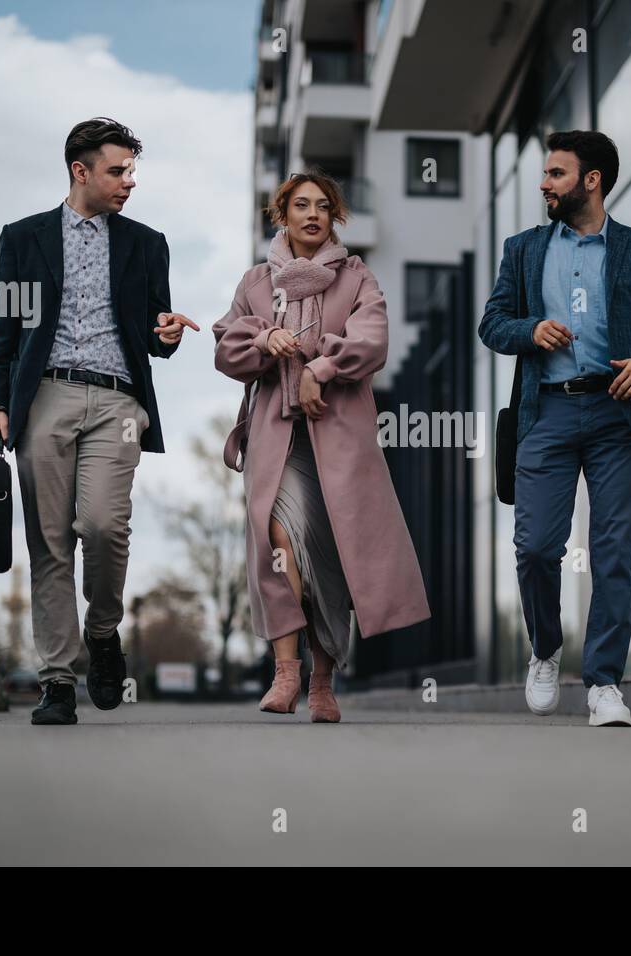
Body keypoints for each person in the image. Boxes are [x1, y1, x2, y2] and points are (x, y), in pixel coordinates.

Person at [0, 117, 198, 725]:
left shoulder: (146, 242)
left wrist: (169, 332)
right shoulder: (22, 239)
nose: (130, 182)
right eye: (118, 170)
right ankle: (56, 681)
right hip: (43, 398)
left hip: (120, 402)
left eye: (132, 170)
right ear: (81, 171)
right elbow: (3, 332)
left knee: (102, 525)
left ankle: (103, 631)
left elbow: (155, 334)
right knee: (49, 544)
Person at [479, 130, 631, 727]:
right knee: (537, 549)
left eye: (555, 173)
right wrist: (530, 331)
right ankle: (546, 649)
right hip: (544, 412)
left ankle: (604, 684)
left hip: (616, 414)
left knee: (613, 552)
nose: (544, 184)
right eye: (545, 174)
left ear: (591, 180)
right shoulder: (521, 249)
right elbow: (491, 324)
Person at [214, 170, 430, 722]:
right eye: (300, 205)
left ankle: (322, 682)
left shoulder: (357, 278)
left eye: (323, 207)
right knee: (276, 537)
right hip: (274, 441)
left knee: (330, 564)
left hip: (338, 442)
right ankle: (286, 672)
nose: (312, 215)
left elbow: (372, 340)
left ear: (334, 218)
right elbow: (226, 347)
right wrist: (264, 338)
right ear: (282, 215)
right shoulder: (256, 283)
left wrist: (322, 366)